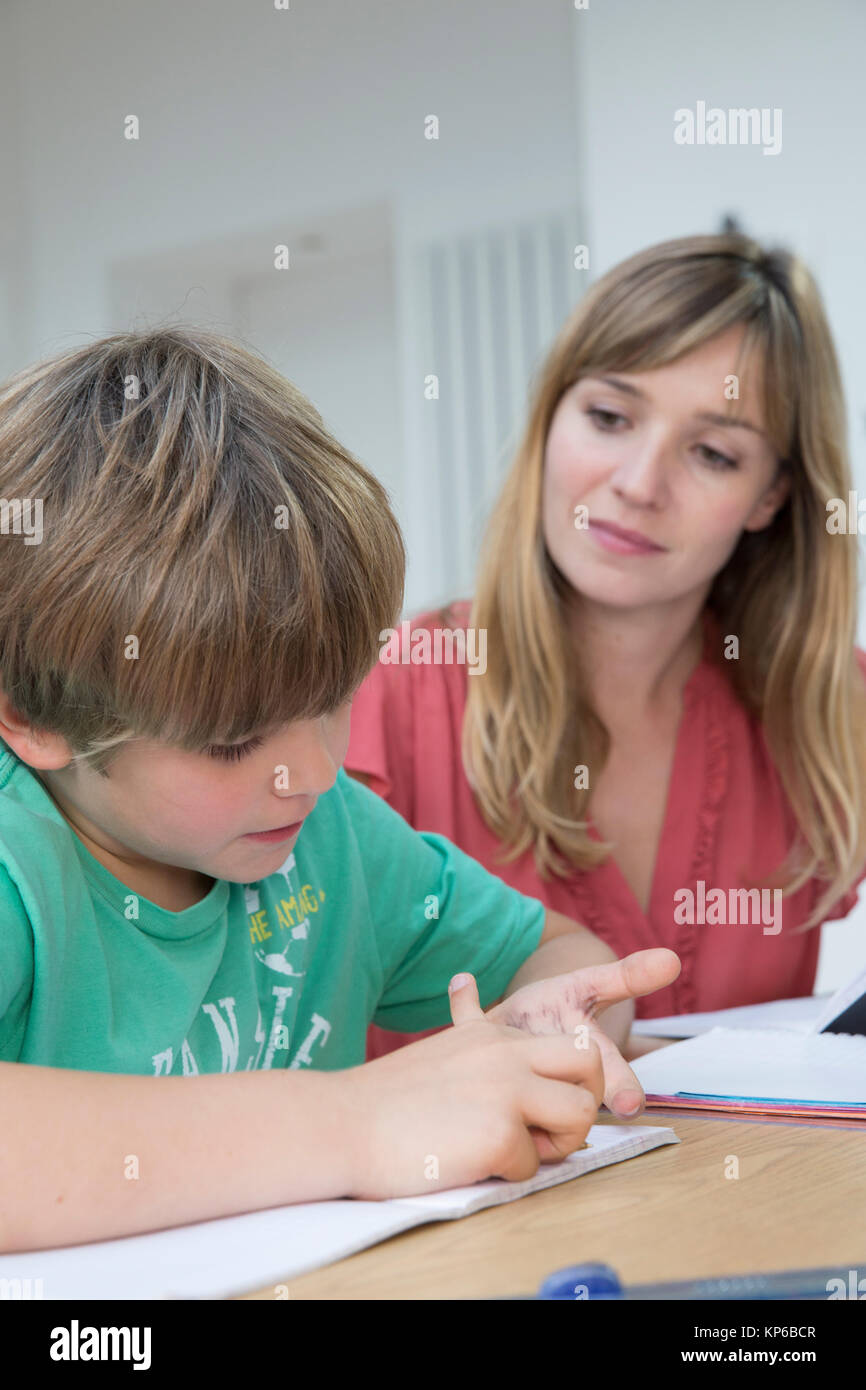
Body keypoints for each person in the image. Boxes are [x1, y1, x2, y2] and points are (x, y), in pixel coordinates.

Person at [0, 325, 680, 1253]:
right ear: (33, 721)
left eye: (331, 703)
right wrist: (354, 1122)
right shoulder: (17, 862)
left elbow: (553, 950)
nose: (316, 773)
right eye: (234, 742)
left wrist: (549, 1029)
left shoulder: (333, 841)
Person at [346, 232, 866, 1063]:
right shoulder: (383, 699)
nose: (638, 484)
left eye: (712, 452)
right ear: (551, 418)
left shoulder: (833, 709)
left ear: (771, 494)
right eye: (609, 416)